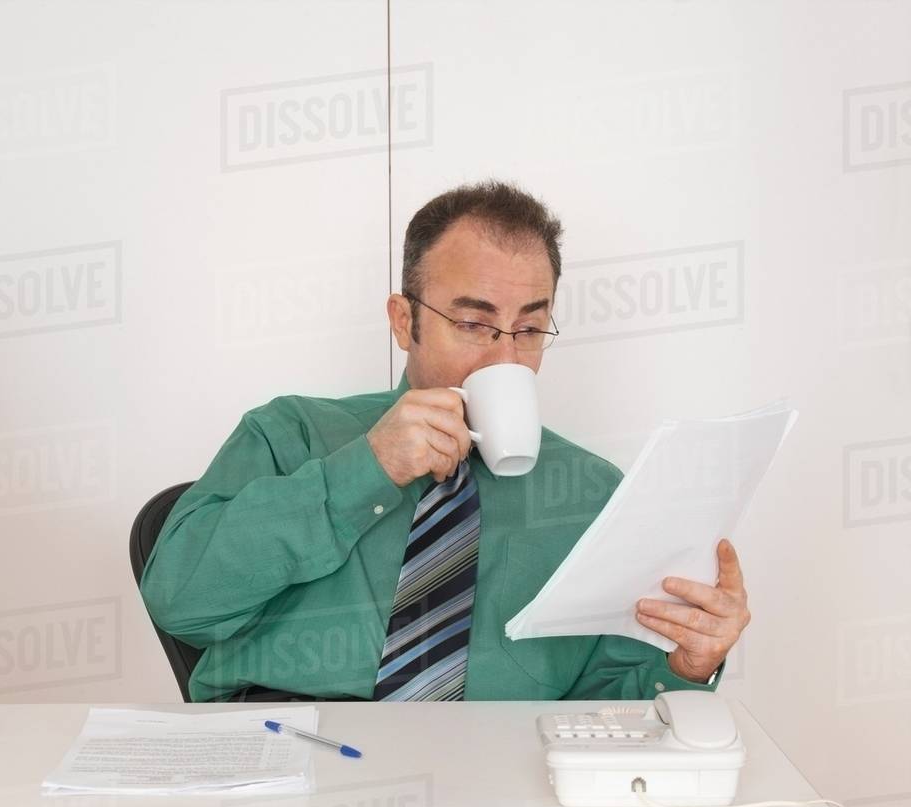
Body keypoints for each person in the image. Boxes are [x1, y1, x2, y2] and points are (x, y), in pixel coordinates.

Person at [141, 180, 750, 702]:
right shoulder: (291, 434)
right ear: (405, 321)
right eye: (473, 323)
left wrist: (686, 667)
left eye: (530, 328)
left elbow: (602, 711)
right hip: (294, 765)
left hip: (501, 787)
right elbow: (181, 600)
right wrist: (365, 470)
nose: (505, 355)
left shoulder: (592, 493)